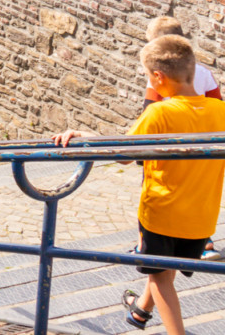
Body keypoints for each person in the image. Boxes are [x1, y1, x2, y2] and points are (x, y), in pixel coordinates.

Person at [54, 35, 225, 335]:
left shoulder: (159, 112)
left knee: (160, 277)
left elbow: (122, 153)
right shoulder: (220, 112)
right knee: (163, 266)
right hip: (202, 217)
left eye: (148, 76)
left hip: (161, 213)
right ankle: (140, 312)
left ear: (158, 77)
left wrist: (81, 136)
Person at [141, 17, 222, 260]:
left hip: (166, 150)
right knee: (195, 190)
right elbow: (216, 105)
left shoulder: (159, 88)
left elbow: (149, 107)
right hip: (202, 153)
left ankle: (142, 245)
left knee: (158, 268)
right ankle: (204, 243)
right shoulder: (205, 73)